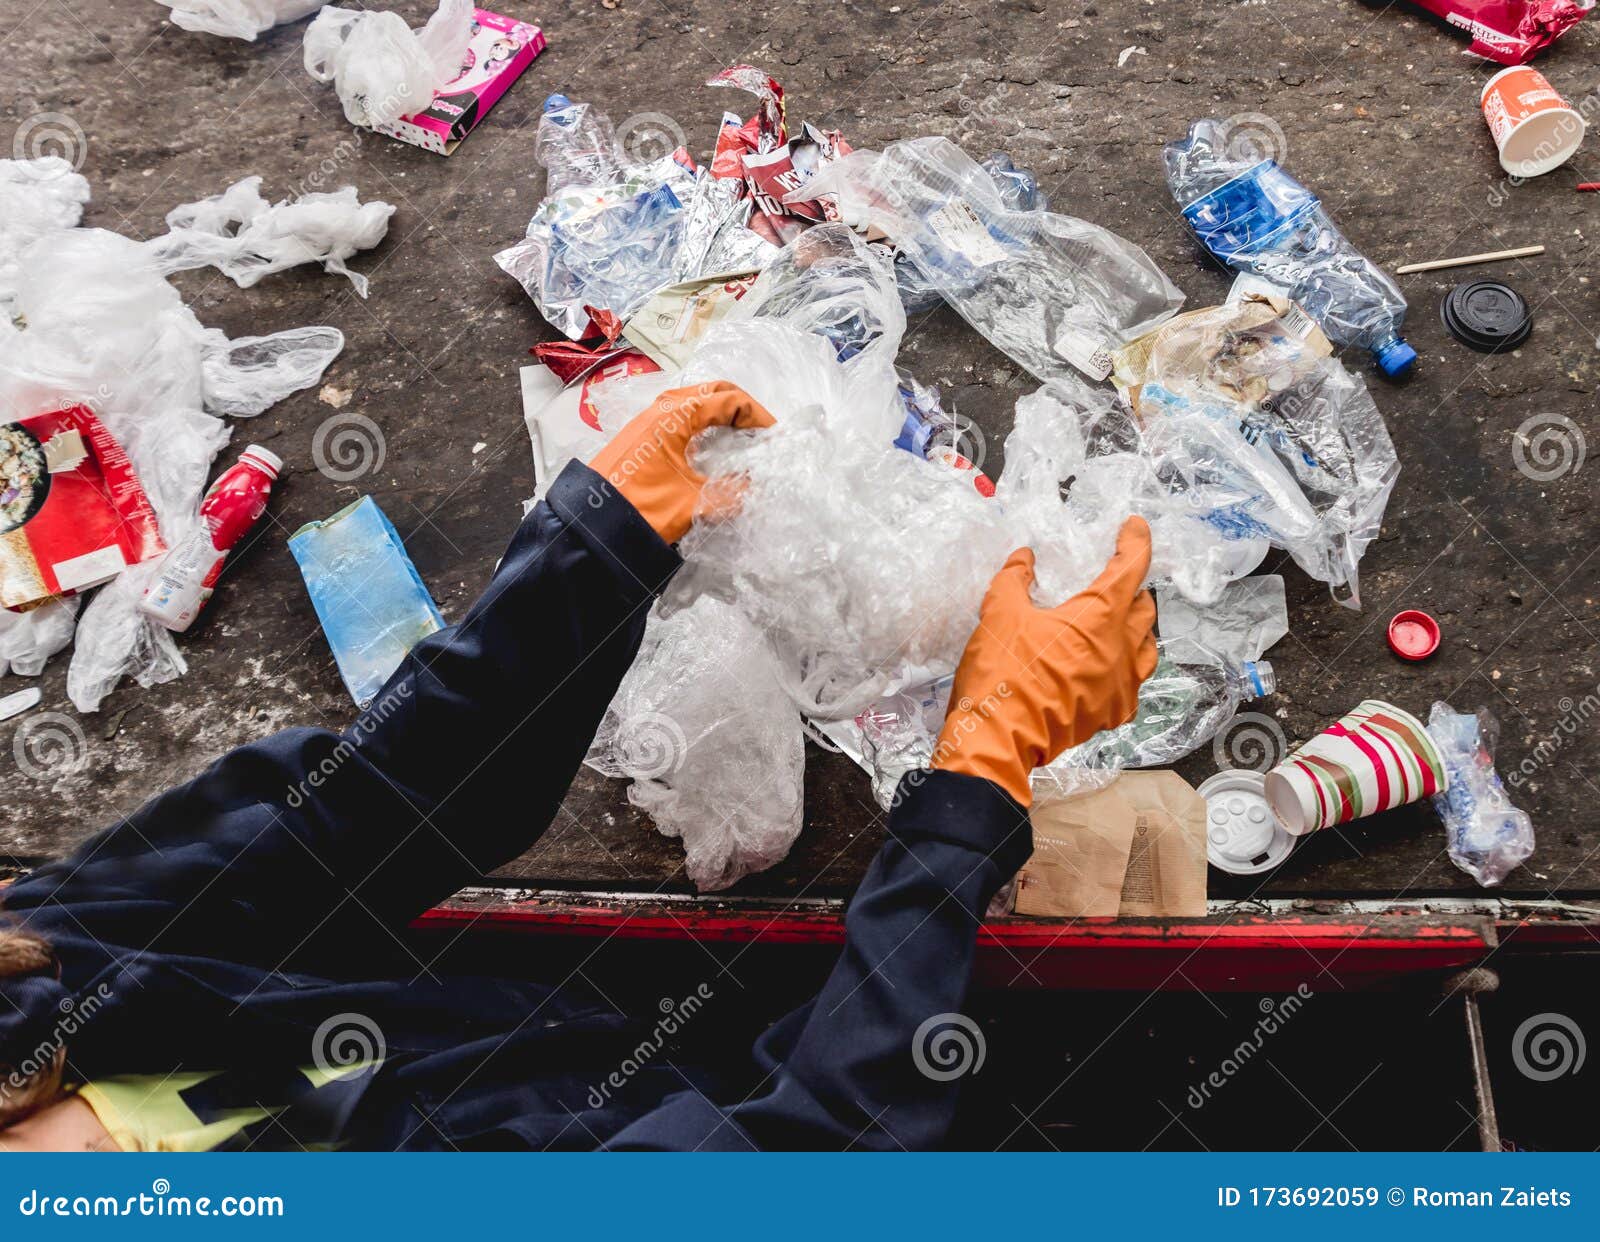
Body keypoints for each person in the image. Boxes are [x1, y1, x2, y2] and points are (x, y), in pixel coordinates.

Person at [0, 382, 1157, 1152]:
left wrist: (594, 547)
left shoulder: (30, 984)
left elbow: (357, 820)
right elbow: (821, 1148)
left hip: (566, 1043)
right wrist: (977, 777)